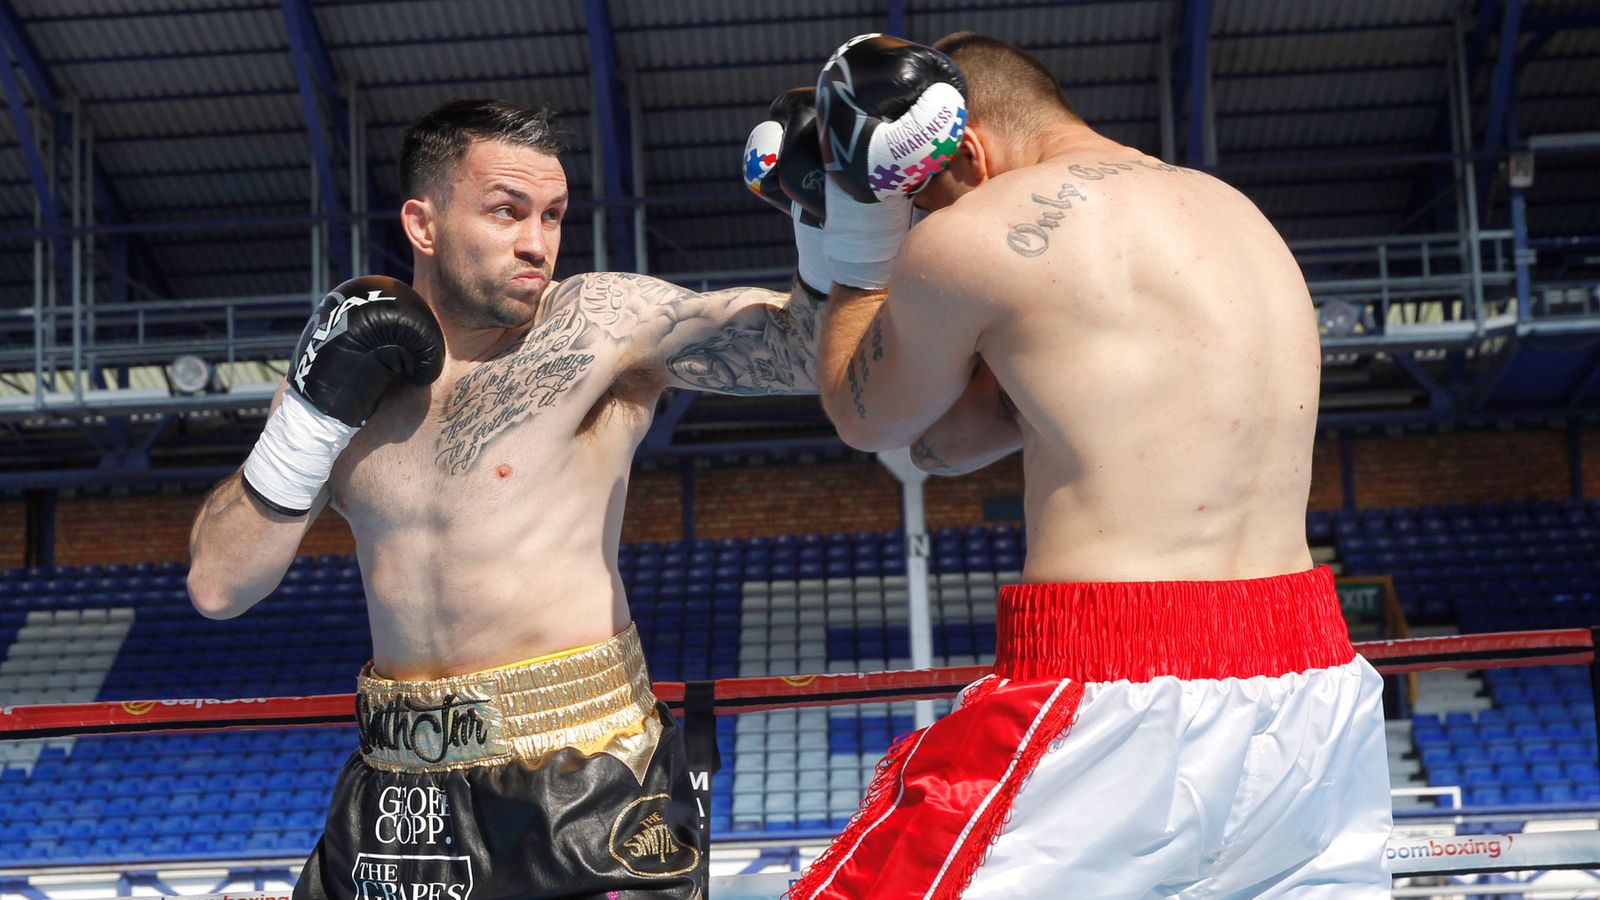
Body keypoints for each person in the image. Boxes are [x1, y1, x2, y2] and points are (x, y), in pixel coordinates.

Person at [782, 33, 1393, 899]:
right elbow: (960, 440)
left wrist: (858, 225)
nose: (921, 208)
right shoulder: (1231, 209)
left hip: (1115, 677)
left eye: (915, 186)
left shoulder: (976, 234)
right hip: (1312, 679)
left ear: (958, 142)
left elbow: (860, 413)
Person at [186, 98, 828, 900]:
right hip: (397, 792)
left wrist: (830, 218)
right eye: (505, 211)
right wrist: (312, 415)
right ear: (423, 224)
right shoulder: (352, 368)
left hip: (584, 771)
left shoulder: (597, 325)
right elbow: (219, 586)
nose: (537, 243)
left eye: (552, 215)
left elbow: (807, 354)